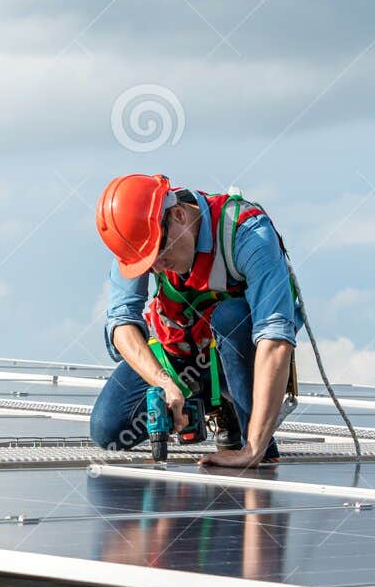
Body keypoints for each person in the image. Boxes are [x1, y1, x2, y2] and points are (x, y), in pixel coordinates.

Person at [90, 173, 302, 467]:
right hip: (182, 352)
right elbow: (121, 323)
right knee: (107, 430)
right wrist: (163, 382)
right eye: (149, 265)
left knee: (231, 317)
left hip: (238, 355)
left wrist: (254, 450)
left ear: (177, 214)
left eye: (161, 255)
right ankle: (205, 402)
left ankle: (246, 426)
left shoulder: (247, 234)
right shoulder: (139, 237)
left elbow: (275, 338)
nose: (158, 267)